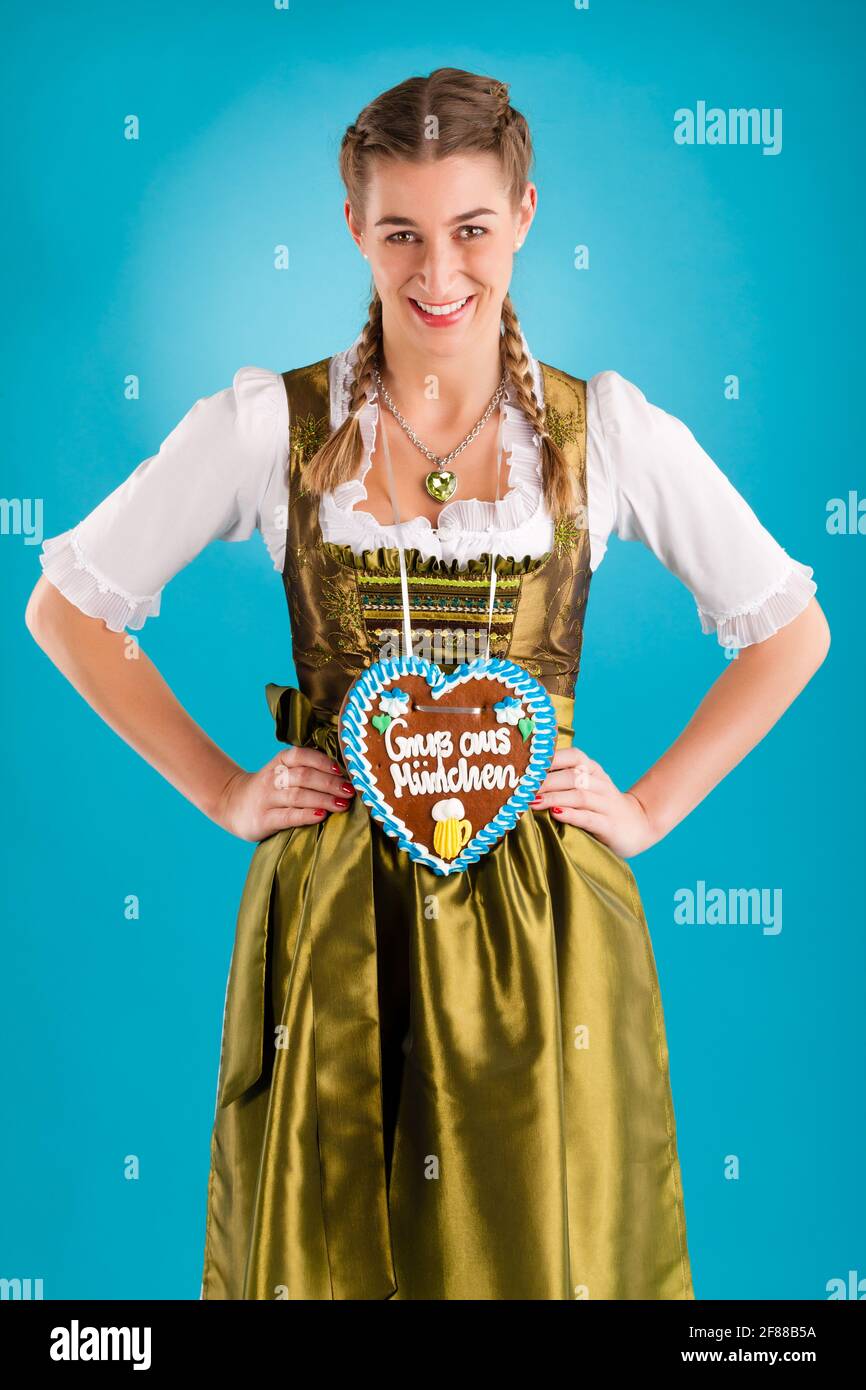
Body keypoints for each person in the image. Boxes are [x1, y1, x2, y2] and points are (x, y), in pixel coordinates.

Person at [25, 67, 830, 1301]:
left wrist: (650, 811)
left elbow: (788, 632)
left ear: (522, 218)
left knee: (536, 1252)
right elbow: (68, 608)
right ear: (353, 227)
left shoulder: (593, 431)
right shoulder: (274, 427)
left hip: (543, 924)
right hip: (338, 917)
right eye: (400, 232)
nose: (436, 273)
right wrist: (229, 794)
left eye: (469, 230)